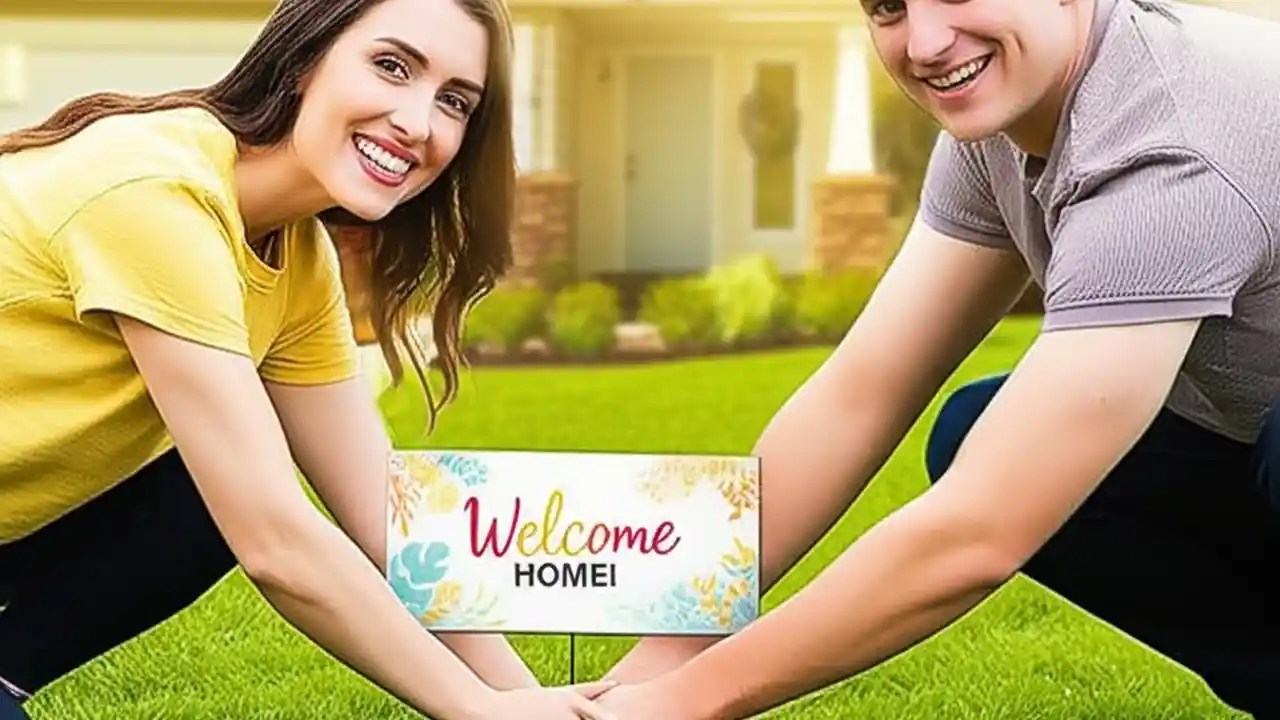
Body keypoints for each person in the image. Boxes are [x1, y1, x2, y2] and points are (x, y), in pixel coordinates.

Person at [594, 0, 1280, 718]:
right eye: (888, 6)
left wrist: (678, 705)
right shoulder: (1006, 126)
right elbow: (859, 395)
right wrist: (656, 658)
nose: (923, 43)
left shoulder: (1170, 149)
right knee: (971, 429)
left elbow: (979, 530)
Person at [0, 0, 618, 718]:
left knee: (213, 478)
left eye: (454, 101)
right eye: (392, 66)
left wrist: (530, 702)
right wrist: (474, 710)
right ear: (301, 60)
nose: (418, 123)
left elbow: (386, 518)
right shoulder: (154, 190)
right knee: (241, 483)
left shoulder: (296, 259)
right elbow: (276, 541)